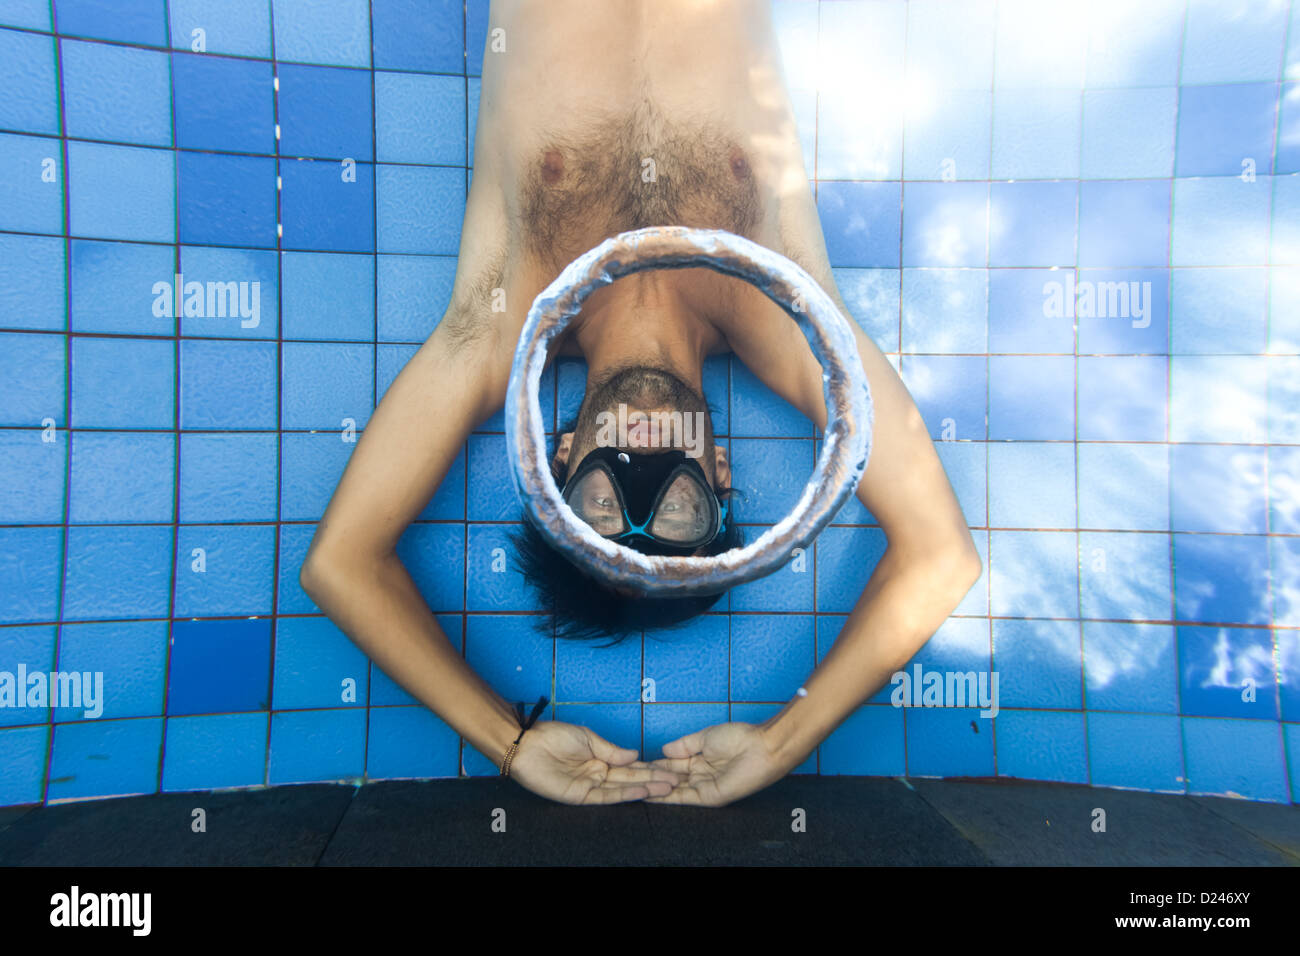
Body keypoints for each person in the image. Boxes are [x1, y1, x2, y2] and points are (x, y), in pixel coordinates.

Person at [300, 0, 981, 807]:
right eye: (679, 508)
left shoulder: (496, 325)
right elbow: (942, 558)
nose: (643, 467)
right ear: (718, 470)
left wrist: (511, 745)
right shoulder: (789, 316)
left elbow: (341, 565)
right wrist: (782, 743)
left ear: (555, 461)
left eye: (601, 501)